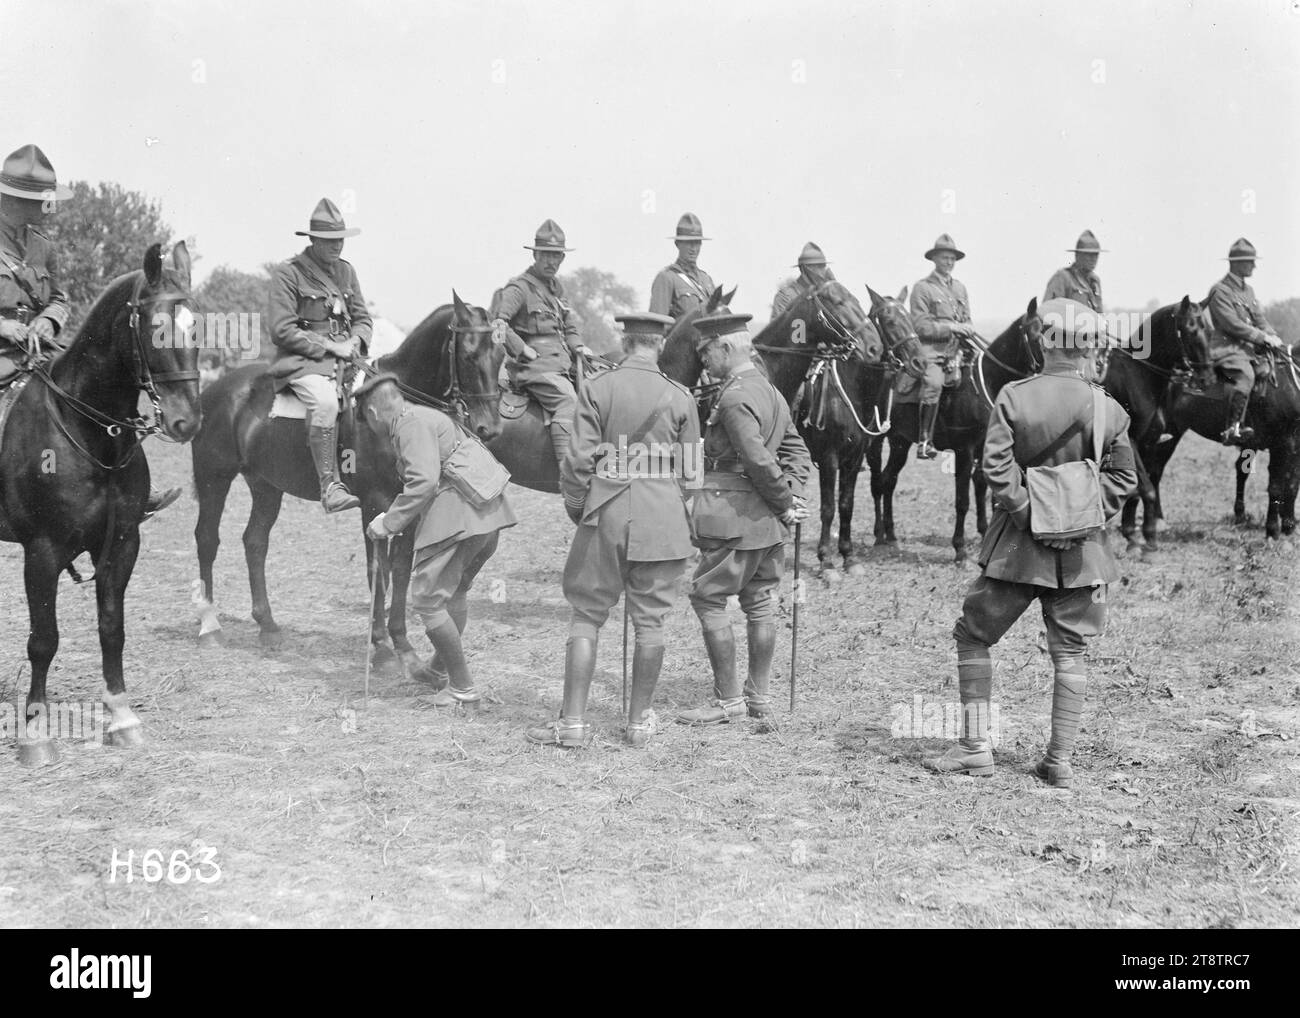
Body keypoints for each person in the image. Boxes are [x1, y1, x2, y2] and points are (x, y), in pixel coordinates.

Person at [933, 298, 1137, 788]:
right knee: (1071, 651)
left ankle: (975, 748)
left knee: (974, 636)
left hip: (1018, 549)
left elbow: (996, 470)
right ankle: (1059, 762)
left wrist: (1032, 513)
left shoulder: (1014, 396)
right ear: (1089, 349)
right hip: (1083, 551)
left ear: (1045, 341)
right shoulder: (1108, 408)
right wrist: (1081, 516)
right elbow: (1124, 477)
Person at [526, 312, 699, 748]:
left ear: (624, 342)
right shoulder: (681, 397)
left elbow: (577, 462)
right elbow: (693, 475)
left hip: (605, 511)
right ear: (659, 346)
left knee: (586, 617)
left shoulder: (597, 388)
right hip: (662, 518)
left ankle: (573, 726)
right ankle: (639, 724)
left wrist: (579, 506)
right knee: (651, 624)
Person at [0, 143, 179, 517]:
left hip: (40, 348)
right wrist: (6, 326)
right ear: (12, 198)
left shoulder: (42, 246)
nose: (45, 206)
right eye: (37, 199)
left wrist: (48, 318)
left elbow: (60, 297)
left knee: (94, 393)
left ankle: (131, 483)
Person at [677, 312, 812, 727]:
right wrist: (793, 497)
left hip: (733, 516)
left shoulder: (735, 397)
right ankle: (760, 697)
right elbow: (798, 453)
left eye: (707, 352)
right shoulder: (771, 392)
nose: (704, 361)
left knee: (707, 597)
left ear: (727, 347)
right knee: (759, 601)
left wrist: (787, 501)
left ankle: (728, 701)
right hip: (767, 523)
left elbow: (756, 459)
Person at [358, 373, 517, 710]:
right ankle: (439, 670)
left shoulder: (408, 425)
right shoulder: (426, 415)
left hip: (459, 519)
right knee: (453, 593)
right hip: (486, 518)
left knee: (428, 602)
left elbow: (424, 482)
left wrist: (388, 522)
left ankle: (462, 689)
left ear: (373, 414)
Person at [268, 197, 373, 512]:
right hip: (304, 363)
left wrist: (356, 339)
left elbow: (363, 318)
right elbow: (282, 330)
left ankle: (364, 471)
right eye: (329, 240)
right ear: (312, 239)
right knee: (326, 403)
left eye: (340, 239)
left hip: (347, 360)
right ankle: (329, 487)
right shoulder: (288, 274)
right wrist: (331, 346)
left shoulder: (346, 272)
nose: (337, 246)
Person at [490, 219, 595, 471]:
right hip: (533, 368)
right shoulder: (520, 287)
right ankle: (569, 474)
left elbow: (569, 326)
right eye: (546, 255)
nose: (551, 262)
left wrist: (579, 347)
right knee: (567, 401)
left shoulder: (557, 290)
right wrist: (519, 348)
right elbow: (495, 322)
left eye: (557, 256)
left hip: (563, 363)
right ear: (535, 254)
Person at [1206, 238, 1286, 445]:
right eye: (1250, 261)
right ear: (1236, 263)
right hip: (1227, 349)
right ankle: (1232, 428)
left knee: (1272, 373)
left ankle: (1259, 423)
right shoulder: (1220, 290)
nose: (1254, 266)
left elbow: (1259, 319)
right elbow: (1232, 324)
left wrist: (1272, 335)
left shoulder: (1248, 291)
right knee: (1246, 376)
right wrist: (1262, 337)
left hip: (1249, 349)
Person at [907, 233, 976, 459]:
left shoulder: (960, 288)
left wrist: (967, 327)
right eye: (944, 258)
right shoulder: (922, 288)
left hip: (959, 350)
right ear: (934, 259)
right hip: (932, 352)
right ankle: (925, 441)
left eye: (952, 258)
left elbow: (966, 318)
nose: (949, 262)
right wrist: (953, 328)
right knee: (934, 383)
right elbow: (921, 326)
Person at [649, 213, 717, 321]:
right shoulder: (666, 278)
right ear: (677, 243)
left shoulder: (706, 280)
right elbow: (656, 325)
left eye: (697, 243)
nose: (693, 249)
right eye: (689, 243)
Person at [1043, 230, 1105, 312]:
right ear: (1078, 255)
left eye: (1096, 255)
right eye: (1089, 255)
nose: (1093, 259)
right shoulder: (1063, 277)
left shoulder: (1095, 281)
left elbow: (1100, 314)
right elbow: (1047, 311)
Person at [771, 242, 835, 318]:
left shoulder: (823, 296)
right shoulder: (786, 297)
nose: (822, 271)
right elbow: (779, 328)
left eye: (822, 266)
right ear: (804, 269)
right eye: (816, 266)